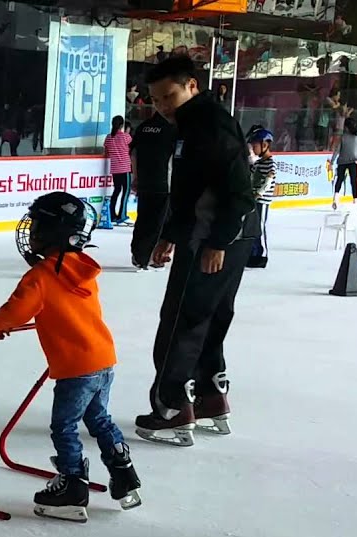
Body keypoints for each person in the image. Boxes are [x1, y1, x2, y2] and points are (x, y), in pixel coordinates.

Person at [0, 192, 142, 523]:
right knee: (99, 419)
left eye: (38, 225)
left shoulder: (42, 275)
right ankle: (123, 471)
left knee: (64, 426)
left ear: (54, 232)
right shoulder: (84, 269)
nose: (31, 233)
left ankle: (72, 485)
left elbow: (17, 310)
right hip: (103, 360)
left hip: (75, 368)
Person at [136, 56, 258, 447]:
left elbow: (239, 190)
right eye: (155, 101)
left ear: (192, 86)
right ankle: (209, 397)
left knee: (181, 320)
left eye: (169, 96)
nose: (162, 107)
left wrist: (217, 240)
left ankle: (171, 407)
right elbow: (190, 191)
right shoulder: (194, 124)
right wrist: (170, 234)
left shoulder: (208, 124)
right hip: (214, 236)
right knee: (210, 316)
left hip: (213, 240)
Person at [129, 108, 177, 270]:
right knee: (159, 222)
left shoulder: (144, 126)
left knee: (143, 219)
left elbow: (134, 154)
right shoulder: (173, 129)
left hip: (144, 182)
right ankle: (153, 257)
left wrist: (135, 177)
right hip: (164, 184)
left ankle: (138, 254)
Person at [245, 127, 277, 269]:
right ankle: (253, 253)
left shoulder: (270, 163)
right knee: (252, 227)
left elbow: (269, 179)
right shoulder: (258, 163)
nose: (253, 149)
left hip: (262, 201)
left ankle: (262, 255)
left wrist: (259, 192)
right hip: (253, 199)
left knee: (260, 227)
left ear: (265, 145)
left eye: (255, 146)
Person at [104, 116, 133, 225]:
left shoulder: (108, 137)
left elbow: (106, 152)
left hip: (115, 168)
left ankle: (112, 214)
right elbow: (131, 149)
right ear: (122, 125)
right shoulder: (126, 137)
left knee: (116, 191)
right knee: (126, 192)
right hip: (125, 168)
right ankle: (122, 215)